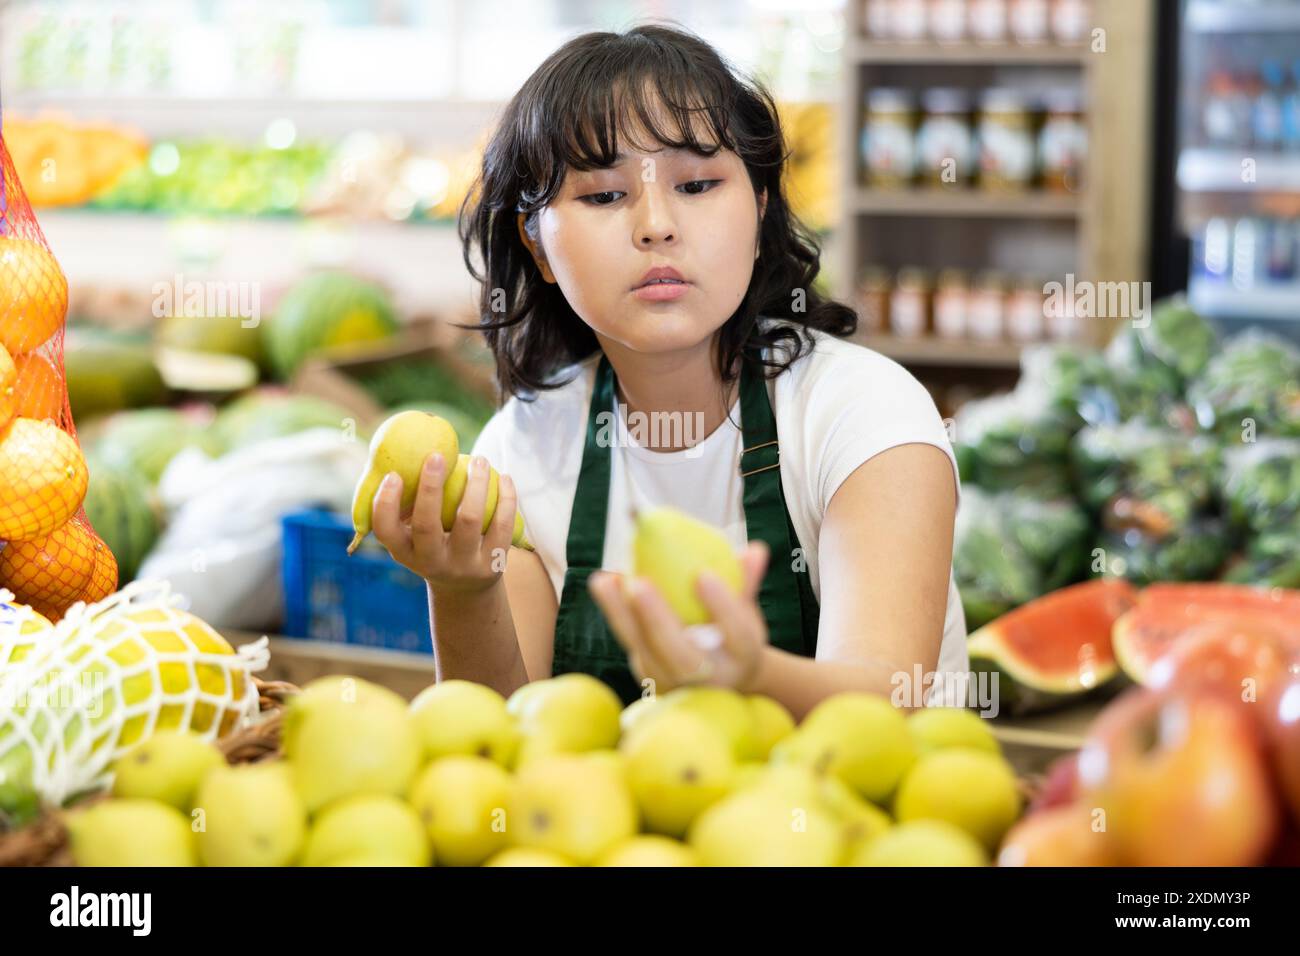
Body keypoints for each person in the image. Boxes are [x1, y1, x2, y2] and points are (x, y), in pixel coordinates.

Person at [370, 23, 966, 719]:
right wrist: (463, 591)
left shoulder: (864, 412)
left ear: (761, 205)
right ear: (535, 245)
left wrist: (750, 673)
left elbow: (884, 698)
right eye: (603, 196)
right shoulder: (522, 446)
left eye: (697, 183)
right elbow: (499, 741)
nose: (656, 224)